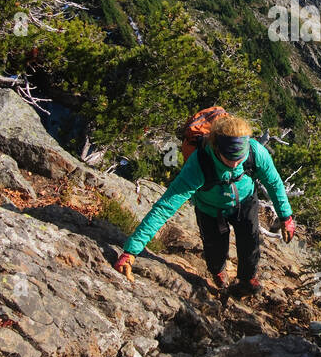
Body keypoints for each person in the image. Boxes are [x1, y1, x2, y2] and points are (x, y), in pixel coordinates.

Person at [113, 113, 295, 295]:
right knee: (214, 253)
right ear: (216, 148)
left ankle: (246, 280)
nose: (234, 164)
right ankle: (219, 272)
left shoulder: (256, 152)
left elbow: (274, 183)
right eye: (229, 158)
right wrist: (131, 251)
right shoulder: (199, 163)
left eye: (239, 159)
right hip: (210, 209)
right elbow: (165, 207)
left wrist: (286, 216)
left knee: (250, 244)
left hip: (245, 202)